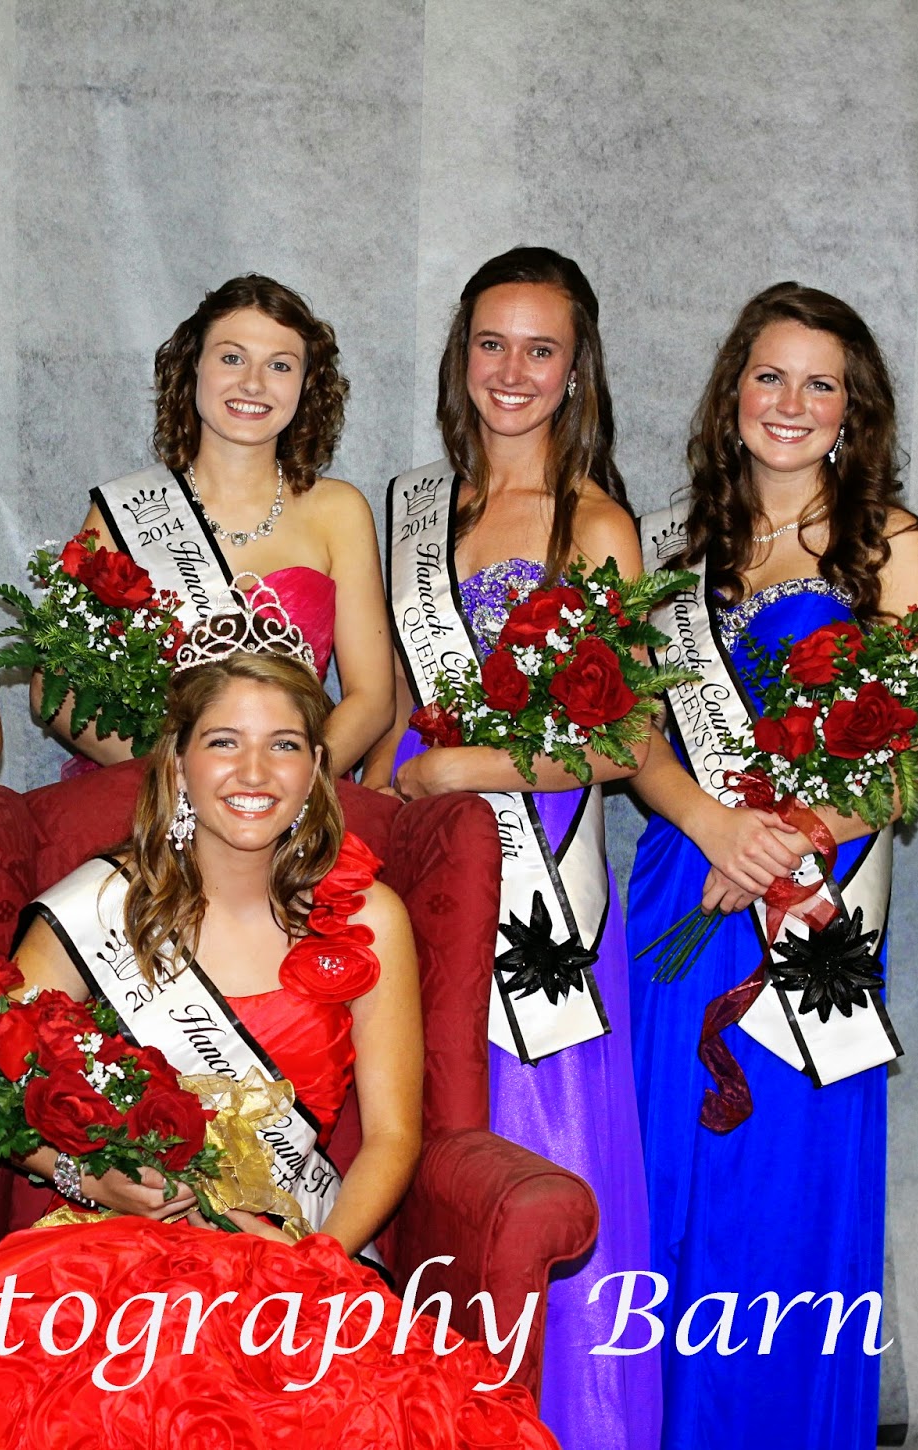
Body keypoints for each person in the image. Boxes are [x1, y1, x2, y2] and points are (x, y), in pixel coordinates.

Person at [0, 594, 558, 1450]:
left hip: (301, 1252)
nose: (253, 773)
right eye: (224, 742)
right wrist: (89, 1180)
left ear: (316, 770)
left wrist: (315, 1266)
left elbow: (398, 1136)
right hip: (115, 1250)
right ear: (178, 766)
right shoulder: (104, 903)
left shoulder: (370, 915)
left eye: (283, 745)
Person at [627, 284, 918, 1450]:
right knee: (669, 1185)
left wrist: (793, 831)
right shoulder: (678, 552)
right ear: (732, 395)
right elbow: (639, 737)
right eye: (770, 376)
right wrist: (715, 828)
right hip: (683, 890)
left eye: (822, 383)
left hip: (805, 909)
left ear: (852, 411)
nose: (792, 403)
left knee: (778, 1196)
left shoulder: (887, 544)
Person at [364, 246, 661, 1449]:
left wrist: (465, 769)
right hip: (425, 860)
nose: (512, 371)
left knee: (541, 1148)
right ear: (459, 354)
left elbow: (623, 739)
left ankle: (570, 1421)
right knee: (421, 1134)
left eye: (541, 349)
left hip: (540, 875)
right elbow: (387, 704)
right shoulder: (415, 505)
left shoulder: (597, 525)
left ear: (576, 367)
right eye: (491, 343)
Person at [37, 274, 393, 777]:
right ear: (192, 367)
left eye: (280, 365)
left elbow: (373, 698)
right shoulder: (125, 509)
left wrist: (291, 786)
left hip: (299, 799)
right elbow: (54, 686)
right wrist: (179, 786)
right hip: (147, 795)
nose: (253, 382)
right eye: (231, 358)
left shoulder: (340, 511)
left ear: (306, 385)